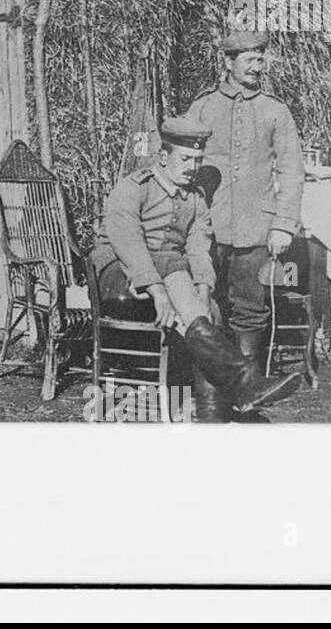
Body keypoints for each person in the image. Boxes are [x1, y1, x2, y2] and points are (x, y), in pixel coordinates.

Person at [90, 116, 302, 421]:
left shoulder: (196, 199)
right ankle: (244, 378)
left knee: (210, 311)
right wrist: (158, 292)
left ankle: (212, 413)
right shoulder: (134, 187)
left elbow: (198, 247)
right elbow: (128, 242)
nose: (193, 166)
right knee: (175, 268)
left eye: (198, 159)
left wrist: (203, 289)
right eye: (186, 158)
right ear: (164, 157)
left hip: (168, 277)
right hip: (117, 273)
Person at [185, 29, 304, 361]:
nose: (258, 66)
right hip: (209, 225)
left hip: (256, 227)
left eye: (261, 59)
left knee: (251, 307)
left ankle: (248, 380)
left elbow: (292, 171)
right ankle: (215, 382)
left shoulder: (275, 110)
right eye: (250, 59)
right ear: (228, 61)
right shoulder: (203, 106)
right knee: (209, 302)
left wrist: (283, 224)